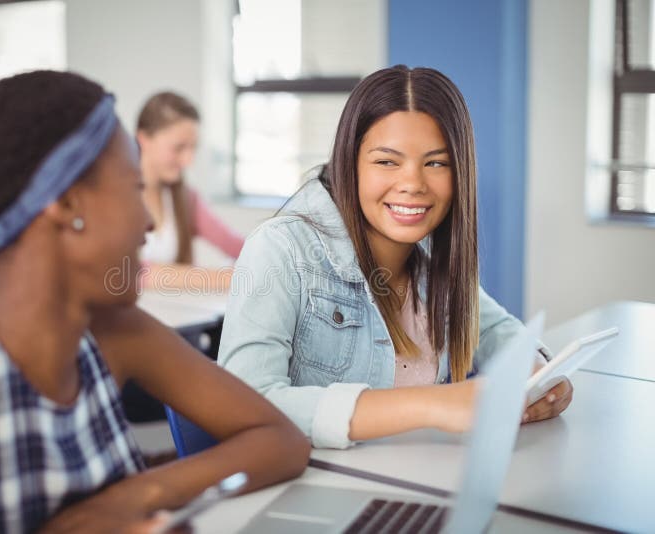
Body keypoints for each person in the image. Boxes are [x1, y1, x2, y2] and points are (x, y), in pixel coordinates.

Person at [0, 71, 309, 532]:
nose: (148, 224)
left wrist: (134, 496)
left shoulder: (119, 331)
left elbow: (281, 439)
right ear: (68, 205)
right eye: (134, 190)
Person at [217, 65, 573, 450]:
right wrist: (431, 405)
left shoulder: (432, 253)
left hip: (420, 482)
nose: (413, 184)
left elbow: (492, 329)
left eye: (436, 163)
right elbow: (244, 406)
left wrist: (541, 374)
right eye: (387, 161)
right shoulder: (281, 249)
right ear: (349, 164)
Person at [136, 92, 244, 292]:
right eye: (178, 148)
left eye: (193, 148)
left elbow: (236, 245)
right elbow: (128, 273)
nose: (189, 160)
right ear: (144, 139)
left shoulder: (185, 199)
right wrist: (227, 278)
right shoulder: (114, 199)